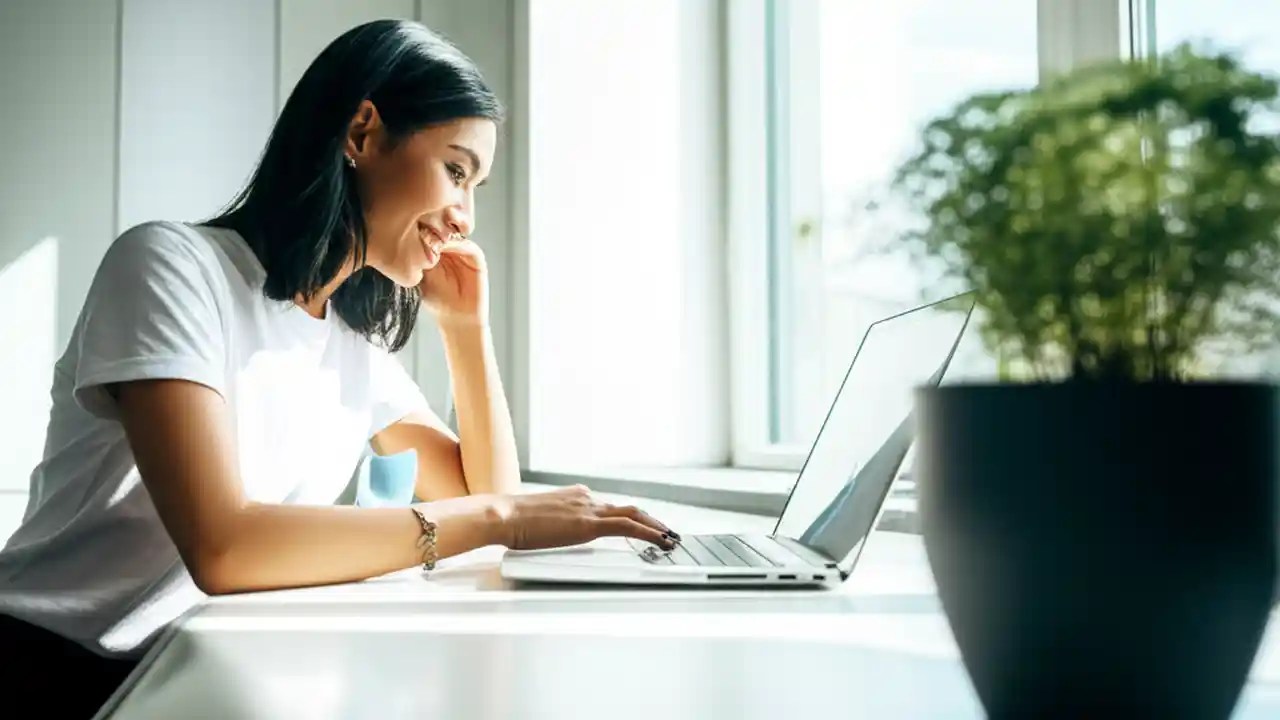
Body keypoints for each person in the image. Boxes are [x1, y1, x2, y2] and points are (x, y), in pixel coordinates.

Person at [0, 19, 678, 717]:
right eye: (456, 170)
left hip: (189, 668)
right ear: (362, 133)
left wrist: (466, 331)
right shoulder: (170, 267)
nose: (464, 216)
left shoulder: (350, 344)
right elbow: (225, 548)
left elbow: (484, 498)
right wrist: (503, 515)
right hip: (51, 668)